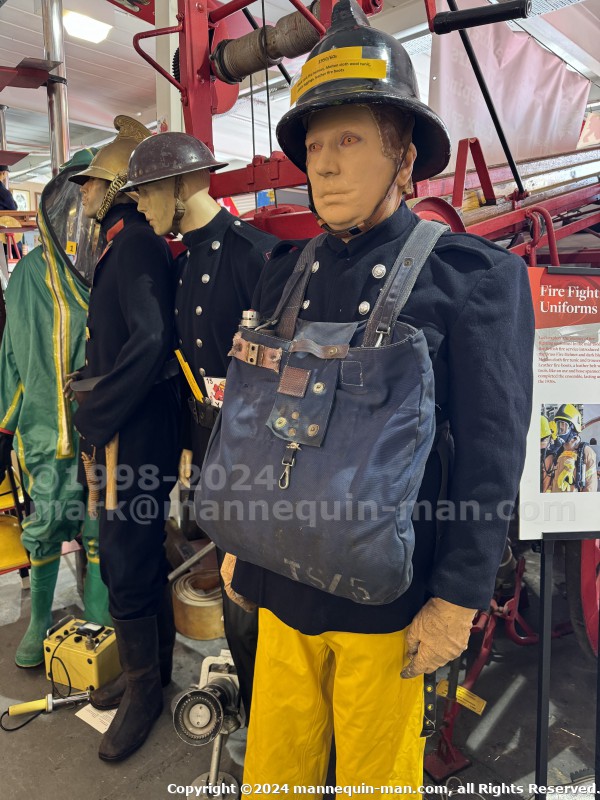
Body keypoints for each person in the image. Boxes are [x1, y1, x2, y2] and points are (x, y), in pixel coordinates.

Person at [201, 0, 534, 787]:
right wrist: (237, 536)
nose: (323, 164)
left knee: (373, 783)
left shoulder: (471, 280)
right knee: (274, 773)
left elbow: (491, 456)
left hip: (388, 605)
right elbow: (256, 421)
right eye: (315, 145)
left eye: (349, 140)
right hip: (278, 585)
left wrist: (458, 600)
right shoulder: (282, 275)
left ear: (405, 156)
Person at [121, 131, 278, 718]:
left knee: (255, 606)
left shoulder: (257, 256)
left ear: (183, 184)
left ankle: (272, 728)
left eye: (145, 192)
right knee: (236, 600)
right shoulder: (183, 263)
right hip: (213, 447)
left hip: (261, 457)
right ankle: (260, 719)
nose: (140, 205)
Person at [68, 116, 180, 762]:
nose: (83, 191)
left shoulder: (134, 243)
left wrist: (97, 414)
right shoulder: (121, 243)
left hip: (134, 429)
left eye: (91, 182)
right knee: (134, 553)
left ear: (115, 187)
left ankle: (144, 694)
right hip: (128, 423)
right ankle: (153, 674)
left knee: (125, 555)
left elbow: (151, 339)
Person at [0, 150, 111, 668]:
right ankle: (39, 617)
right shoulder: (27, 275)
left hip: (103, 427)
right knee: (45, 522)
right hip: (45, 429)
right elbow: (12, 357)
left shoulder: (113, 266)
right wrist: (4, 427)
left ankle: (98, 614)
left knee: (100, 520)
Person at [549, 404, 597, 493]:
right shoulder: (558, 451)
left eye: (563, 426)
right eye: (558, 426)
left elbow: (590, 488)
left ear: (573, 428)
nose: (560, 429)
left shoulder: (586, 453)